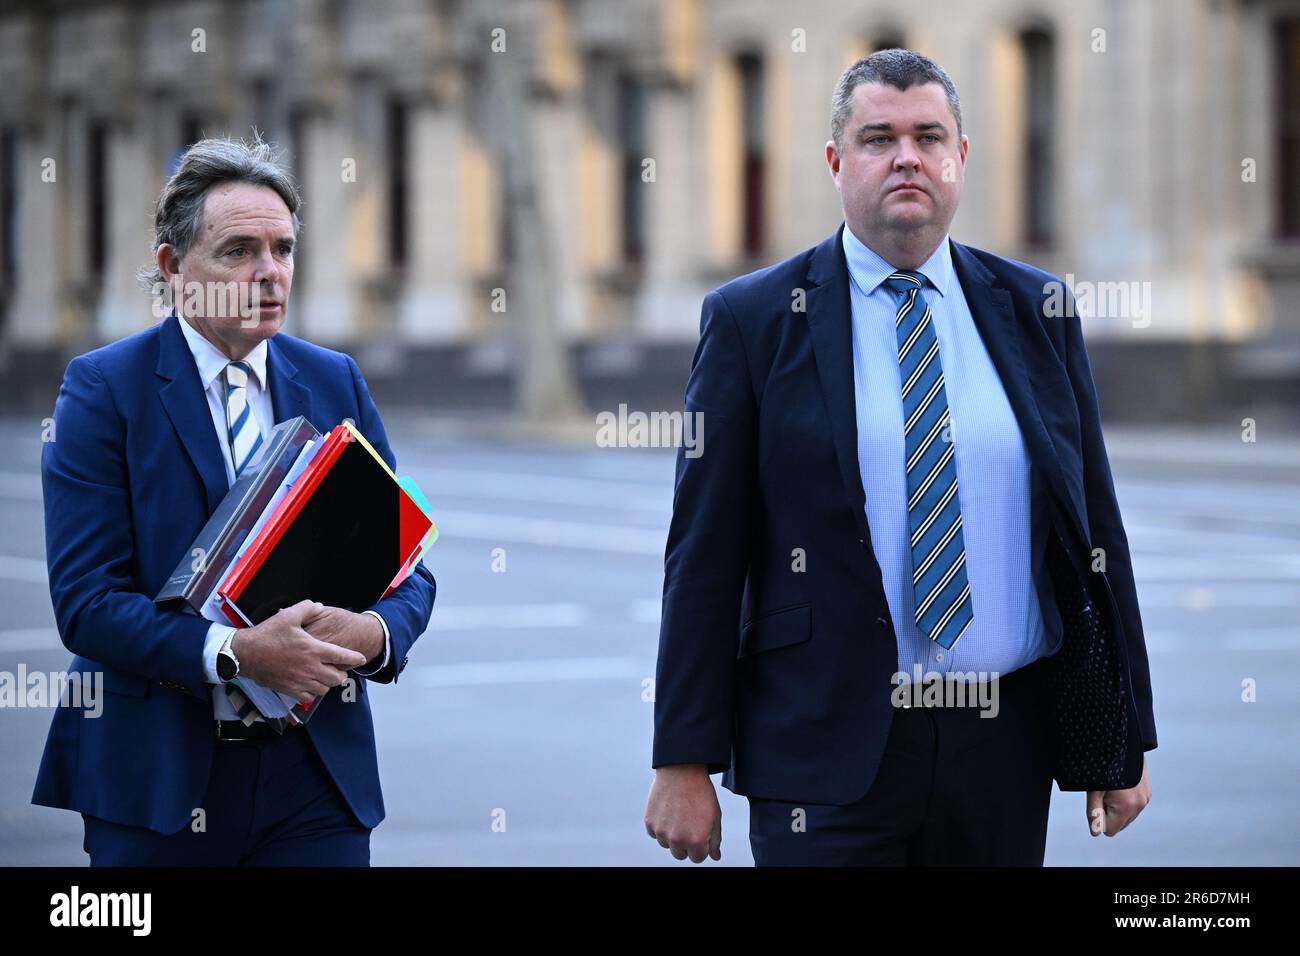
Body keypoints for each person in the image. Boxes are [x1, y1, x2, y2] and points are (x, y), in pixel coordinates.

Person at [645, 50, 1155, 866]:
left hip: (1001, 746)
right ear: (836, 161)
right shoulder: (754, 320)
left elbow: (1094, 525)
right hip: (823, 750)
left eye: (929, 136)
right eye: (879, 137)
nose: (907, 157)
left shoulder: (1036, 308)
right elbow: (704, 552)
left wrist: (1123, 733)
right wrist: (682, 757)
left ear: (961, 157)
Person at [32, 135, 436, 866]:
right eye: (239, 251)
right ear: (171, 266)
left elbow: (407, 570)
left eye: (283, 249)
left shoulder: (336, 380)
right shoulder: (103, 390)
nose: (270, 274)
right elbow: (87, 603)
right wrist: (239, 654)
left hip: (316, 779)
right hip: (158, 779)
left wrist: (371, 635)